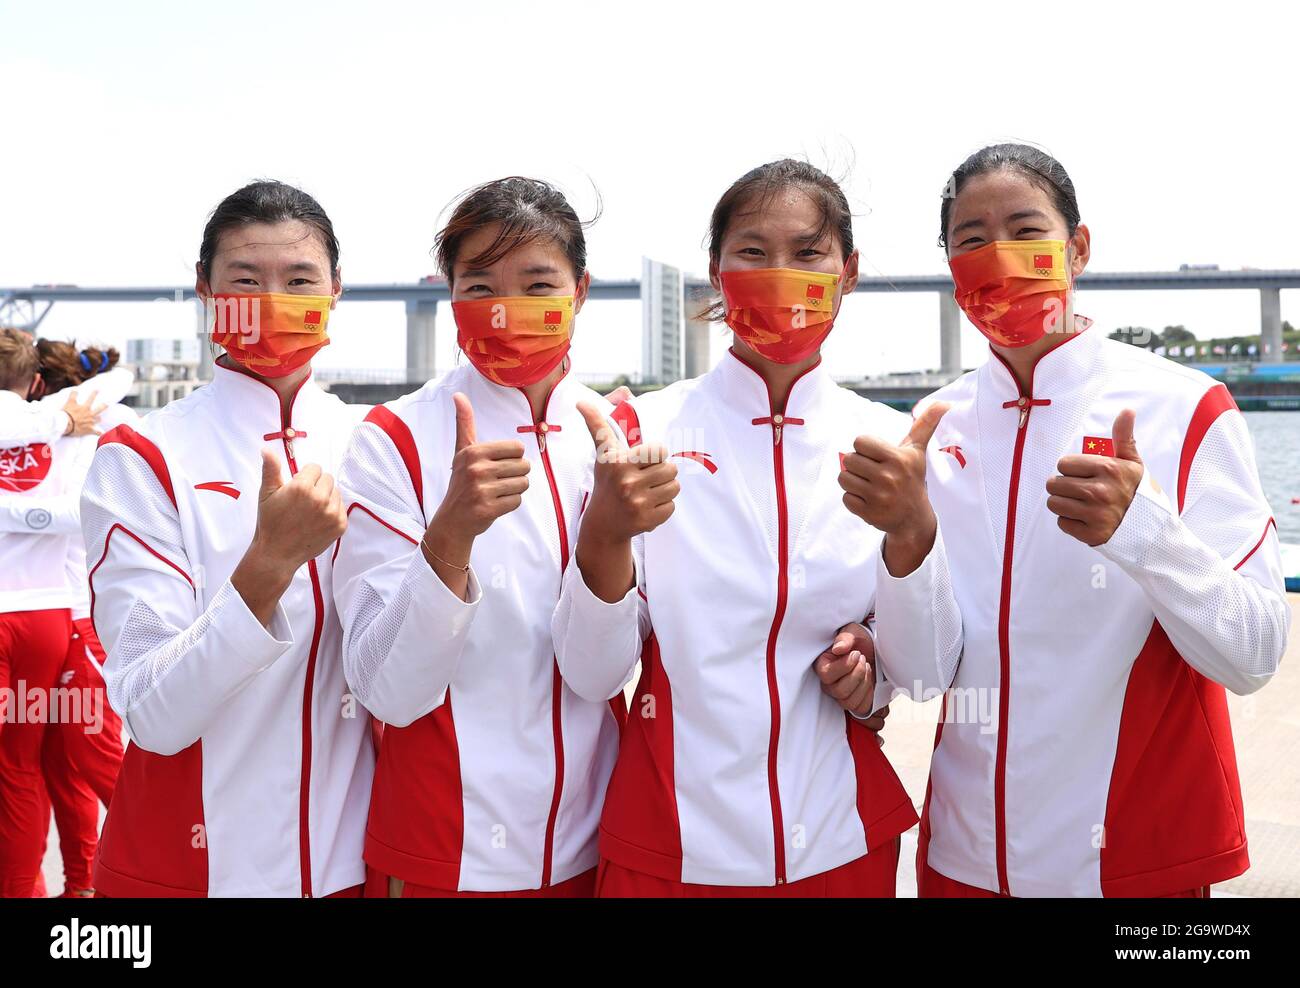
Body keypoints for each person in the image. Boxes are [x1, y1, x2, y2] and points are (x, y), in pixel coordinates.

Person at [881, 143, 1289, 898]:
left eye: (1026, 230)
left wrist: (1141, 530)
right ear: (949, 267)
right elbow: (923, 674)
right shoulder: (938, 426)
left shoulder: (1186, 409)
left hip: (1134, 863)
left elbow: (1254, 653)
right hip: (963, 862)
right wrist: (904, 544)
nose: (999, 255)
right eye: (971, 239)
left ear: (1078, 247)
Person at [553, 159, 962, 896]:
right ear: (715, 270)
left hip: (840, 842)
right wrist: (604, 538)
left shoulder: (891, 446)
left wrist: (911, 537)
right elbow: (592, 673)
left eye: (808, 254)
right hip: (667, 845)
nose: (781, 275)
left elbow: (927, 675)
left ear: (850, 271)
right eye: (752, 252)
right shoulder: (640, 432)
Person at [79, 180, 374, 897]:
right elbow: (152, 711)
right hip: (190, 868)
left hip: (350, 865)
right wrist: (267, 564)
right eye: (246, 280)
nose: (273, 302)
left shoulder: (374, 445)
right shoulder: (142, 455)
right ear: (205, 292)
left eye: (299, 280)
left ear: (336, 289)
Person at [333, 177, 623, 897]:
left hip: (596, 842)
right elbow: (389, 691)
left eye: (536, 283)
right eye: (480, 284)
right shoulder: (393, 440)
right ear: (450, 294)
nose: (507, 308)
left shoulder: (615, 435)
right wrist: (451, 537)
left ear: (580, 290)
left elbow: (605, 673)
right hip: (442, 849)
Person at [0, 340, 136, 896]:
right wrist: (57, 420)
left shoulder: (75, 427)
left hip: (74, 620)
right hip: (57, 620)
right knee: (57, 766)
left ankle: (60, 884)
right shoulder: (61, 423)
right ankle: (75, 884)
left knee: (63, 764)